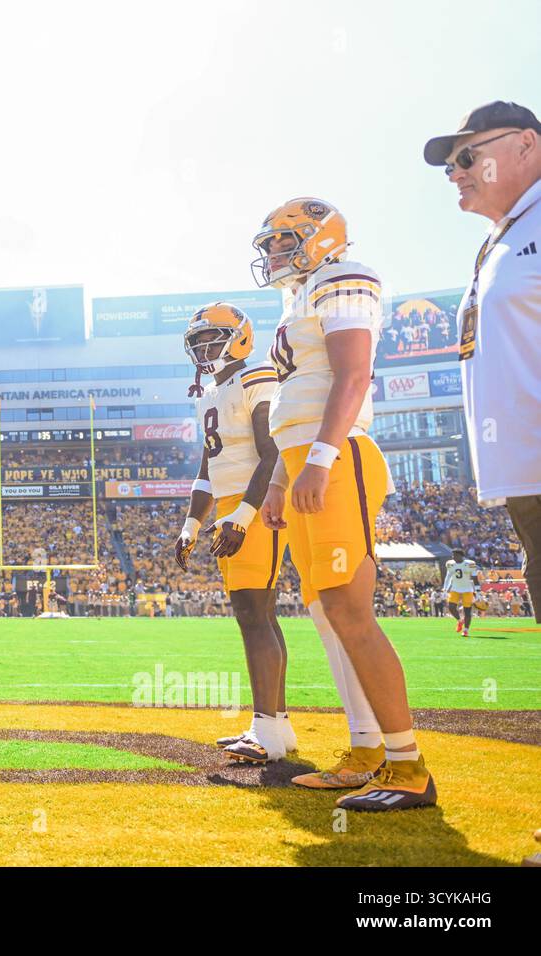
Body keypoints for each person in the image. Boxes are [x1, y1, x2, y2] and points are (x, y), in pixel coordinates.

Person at [256, 198, 436, 811]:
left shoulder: (342, 277)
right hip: (307, 456)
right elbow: (300, 400)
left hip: (338, 458)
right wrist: (283, 477)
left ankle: (408, 767)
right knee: (329, 616)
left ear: (319, 239)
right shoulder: (301, 295)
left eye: (283, 242)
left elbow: (353, 375)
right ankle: (365, 750)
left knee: (350, 612)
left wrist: (321, 460)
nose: (274, 254)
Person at [424, 102, 541, 623]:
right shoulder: (506, 237)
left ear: (526, 144)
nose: (455, 173)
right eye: (451, 165)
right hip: (526, 482)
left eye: (467, 156)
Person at [174, 303, 294, 764]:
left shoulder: (256, 375)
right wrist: (191, 525)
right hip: (230, 505)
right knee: (259, 612)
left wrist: (243, 516)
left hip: (255, 505)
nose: (205, 348)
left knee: (253, 613)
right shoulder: (213, 391)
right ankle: (276, 728)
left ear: (239, 336)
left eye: (213, 338)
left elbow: (271, 452)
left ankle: (265, 729)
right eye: (198, 342)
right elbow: (208, 467)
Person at [441, 547, 482, 637]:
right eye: (452, 555)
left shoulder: (470, 564)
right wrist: (445, 589)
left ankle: (466, 630)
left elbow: (475, 579)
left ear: (461, 556)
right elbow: (448, 577)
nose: (453, 557)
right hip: (455, 588)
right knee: (451, 607)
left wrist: (478, 592)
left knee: (467, 611)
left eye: (454, 555)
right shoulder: (450, 564)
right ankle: (460, 620)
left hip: (467, 589)